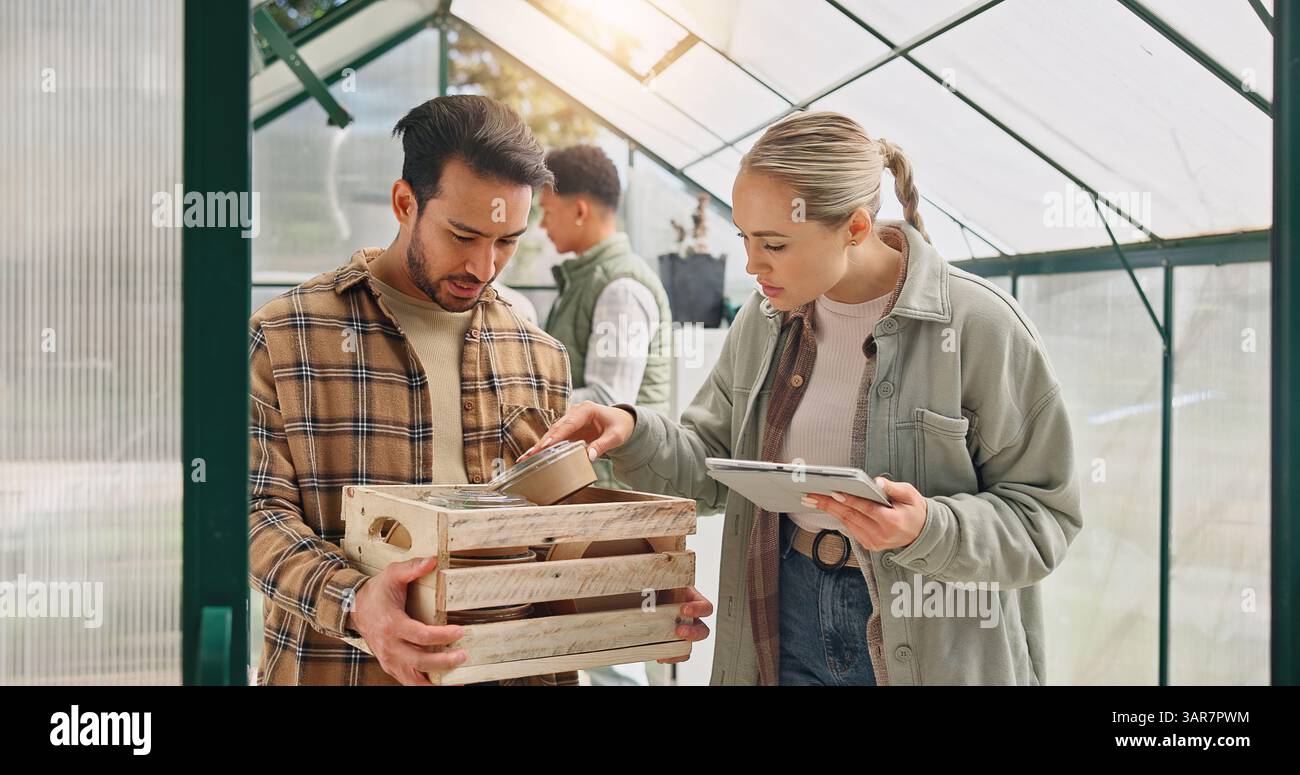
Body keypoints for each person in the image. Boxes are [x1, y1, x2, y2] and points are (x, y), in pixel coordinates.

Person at [524, 111, 1083, 686]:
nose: (750, 263)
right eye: (743, 237)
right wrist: (632, 430)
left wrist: (927, 530)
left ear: (856, 229)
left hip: (932, 638)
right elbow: (716, 464)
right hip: (781, 608)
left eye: (774, 243)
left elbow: (1045, 517)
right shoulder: (764, 319)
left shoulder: (977, 327)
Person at [247, 94, 710, 685]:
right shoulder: (287, 336)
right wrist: (357, 601)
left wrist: (638, 590)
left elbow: (552, 536)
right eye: (462, 235)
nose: (484, 267)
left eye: (507, 241)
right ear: (404, 203)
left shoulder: (539, 355)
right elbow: (256, 514)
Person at [538, 145, 672, 489]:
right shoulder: (587, 278)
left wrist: (522, 400)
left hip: (616, 486)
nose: (541, 224)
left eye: (547, 211)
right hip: (599, 477)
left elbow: (608, 398)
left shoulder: (621, 288)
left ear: (580, 211)